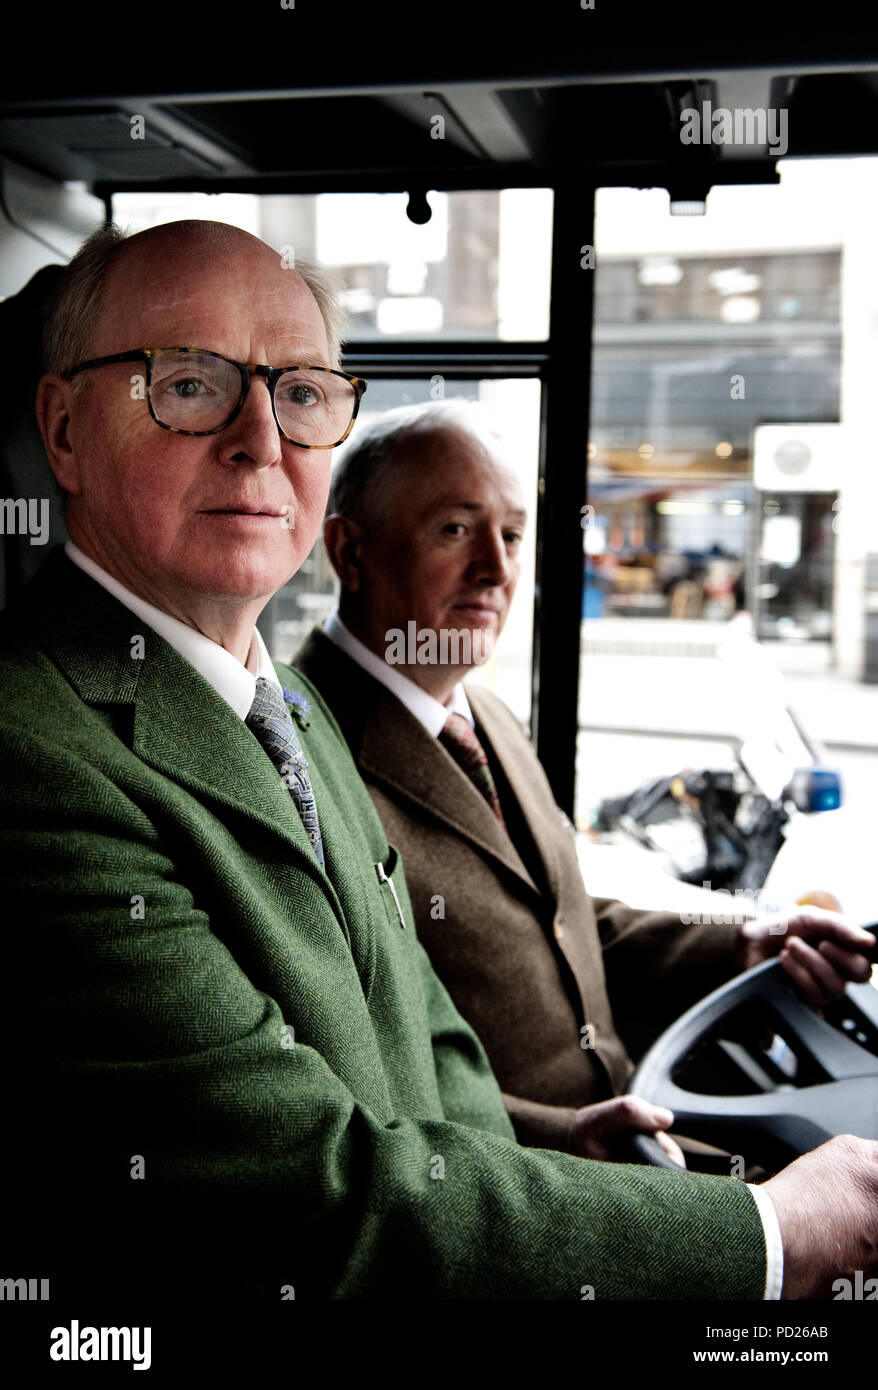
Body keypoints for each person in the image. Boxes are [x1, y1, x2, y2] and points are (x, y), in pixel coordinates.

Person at [2, 222, 876, 1305]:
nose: (259, 441)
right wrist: (767, 1236)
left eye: (305, 393)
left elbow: (435, 1052)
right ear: (65, 430)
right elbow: (313, 1203)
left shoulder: (289, 708)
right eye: (188, 384)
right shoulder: (32, 759)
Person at [294, 402, 875, 1169]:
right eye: (456, 530)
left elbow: (562, 927)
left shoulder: (484, 713)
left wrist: (742, 946)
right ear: (351, 552)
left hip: (641, 1131)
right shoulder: (303, 756)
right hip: (529, 1184)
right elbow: (343, 1075)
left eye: (511, 536)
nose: (498, 572)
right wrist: (559, 1134)